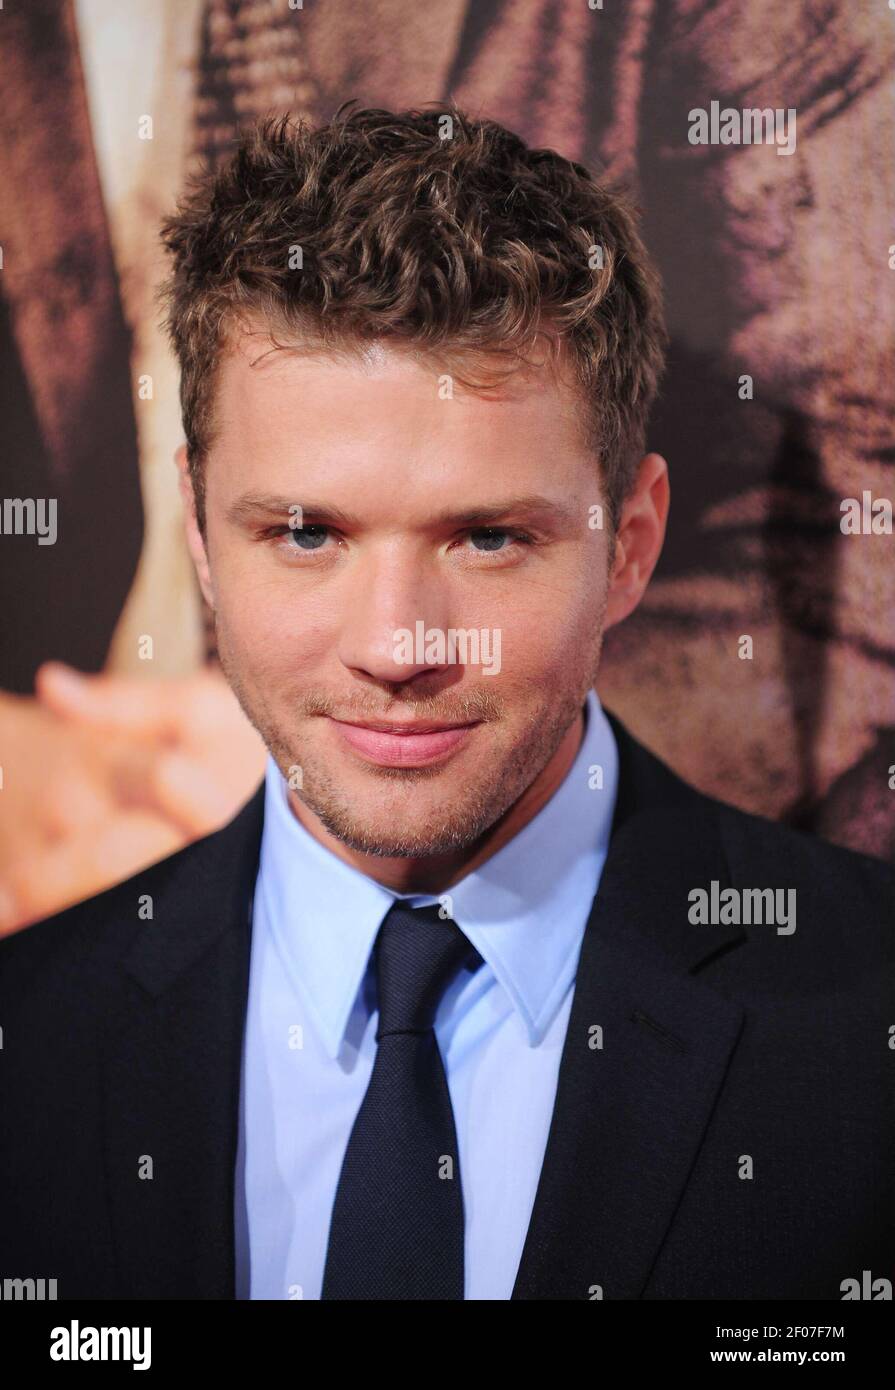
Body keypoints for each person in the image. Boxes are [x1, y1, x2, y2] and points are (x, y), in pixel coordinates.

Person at [0, 105, 891, 1302]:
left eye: (487, 537)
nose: (396, 644)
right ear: (203, 540)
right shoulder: (29, 1039)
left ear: (629, 543)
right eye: (305, 533)